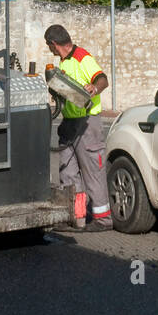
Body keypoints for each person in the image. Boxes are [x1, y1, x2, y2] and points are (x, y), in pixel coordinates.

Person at [45, 24, 112, 231]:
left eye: (49, 46)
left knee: (92, 170)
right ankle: (77, 217)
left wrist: (94, 88)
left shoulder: (83, 57)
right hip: (70, 123)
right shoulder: (63, 62)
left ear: (54, 44)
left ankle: (103, 219)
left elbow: (102, 79)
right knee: (68, 172)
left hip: (87, 123)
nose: (50, 50)